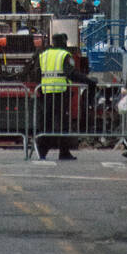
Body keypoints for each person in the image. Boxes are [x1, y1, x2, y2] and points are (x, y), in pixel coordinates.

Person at [30, 32, 93, 161]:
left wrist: (40, 89)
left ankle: (42, 151)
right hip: (61, 92)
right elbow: (71, 73)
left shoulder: (44, 55)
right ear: (64, 42)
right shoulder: (64, 55)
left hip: (46, 92)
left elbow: (37, 73)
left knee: (46, 122)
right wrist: (88, 80)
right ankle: (64, 152)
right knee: (63, 123)